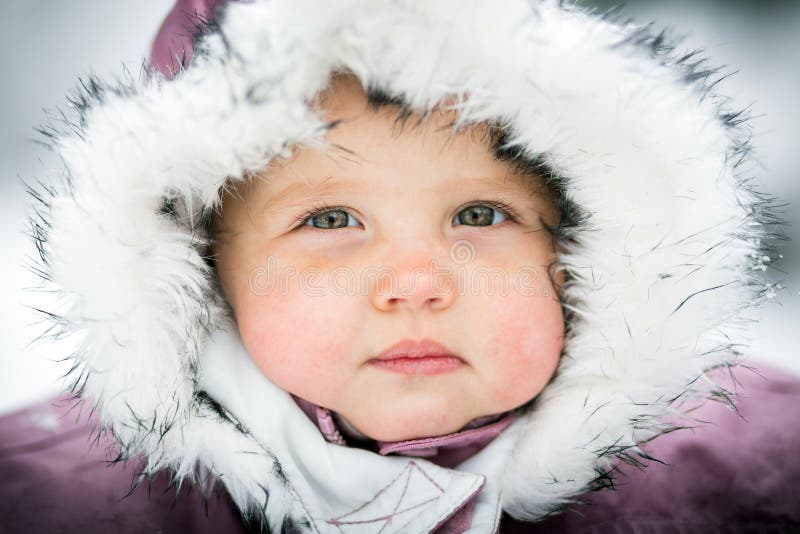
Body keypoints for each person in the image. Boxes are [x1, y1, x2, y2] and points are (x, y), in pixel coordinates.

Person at [5, 0, 799, 532]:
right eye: (329, 219)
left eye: (481, 215)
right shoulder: (50, 501)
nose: (417, 282)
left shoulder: (761, 472)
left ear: (580, 256)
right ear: (204, 269)